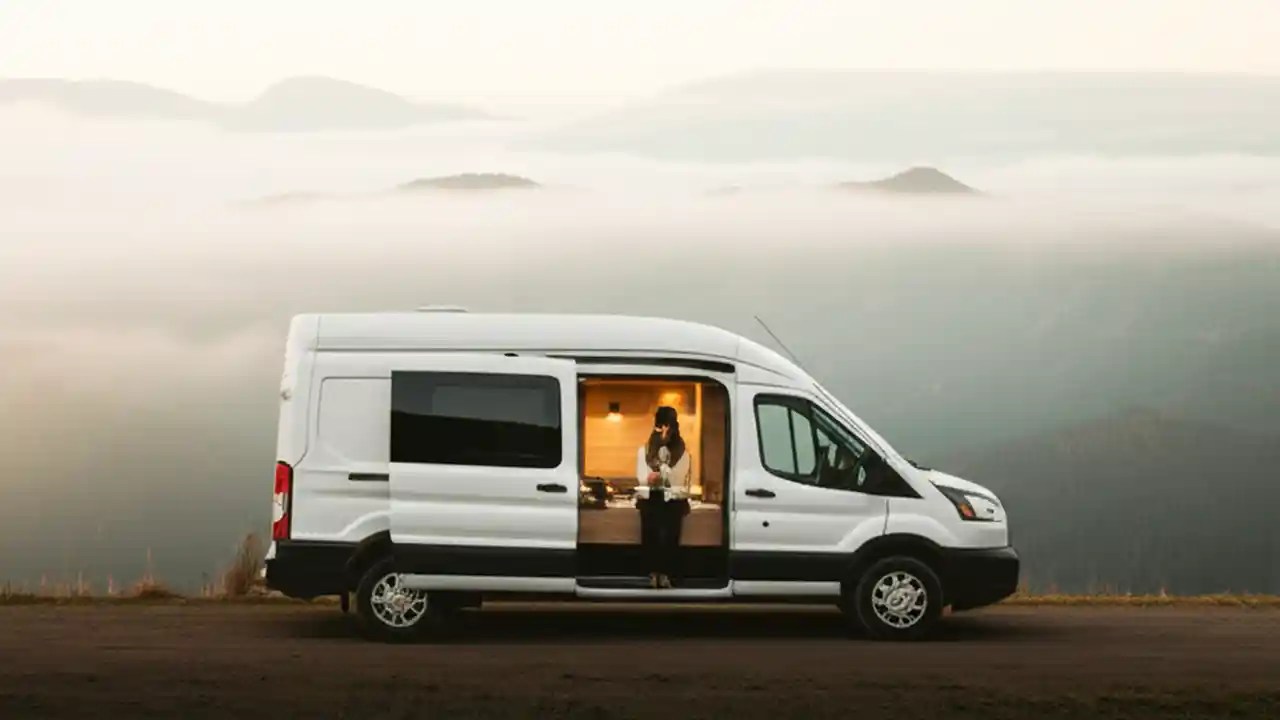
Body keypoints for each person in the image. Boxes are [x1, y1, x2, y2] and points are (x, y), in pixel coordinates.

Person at [634, 405, 692, 589]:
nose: (663, 432)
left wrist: (664, 476)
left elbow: (680, 476)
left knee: (669, 539)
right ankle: (653, 575)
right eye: (660, 427)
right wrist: (649, 478)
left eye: (667, 426)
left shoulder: (682, 452)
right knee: (650, 537)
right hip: (651, 500)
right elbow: (641, 474)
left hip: (673, 502)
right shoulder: (645, 450)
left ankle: (666, 575)